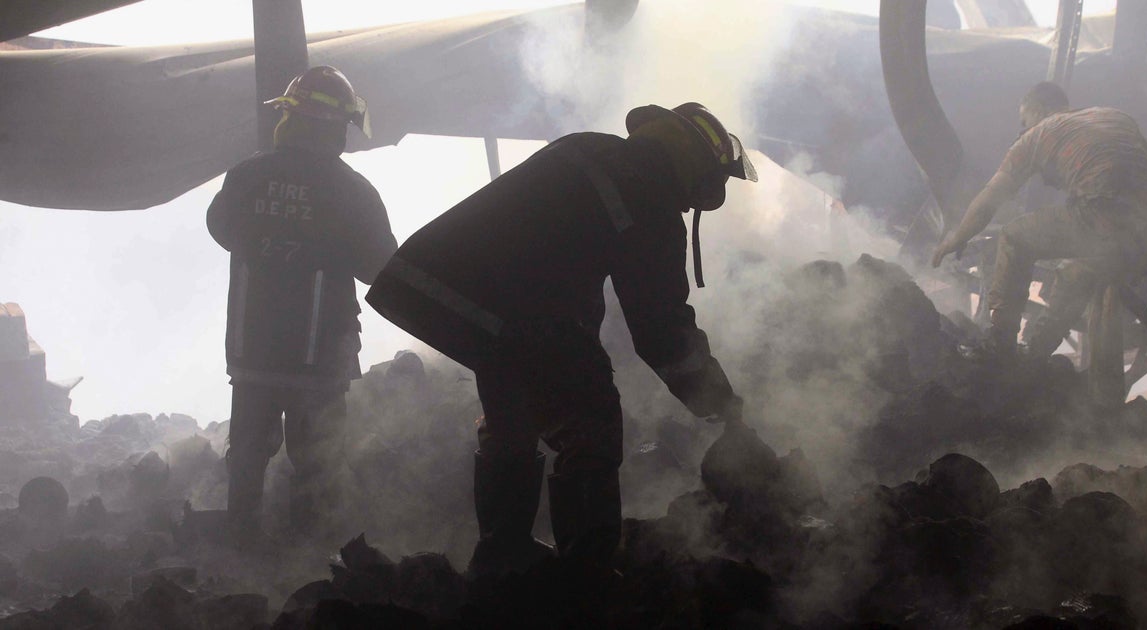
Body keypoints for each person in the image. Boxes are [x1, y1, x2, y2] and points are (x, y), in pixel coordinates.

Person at [367, 102, 756, 574]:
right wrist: (720, 402)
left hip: (425, 281)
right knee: (591, 422)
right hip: (499, 301)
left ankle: (502, 560)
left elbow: (554, 263)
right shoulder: (649, 199)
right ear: (699, 170)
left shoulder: (588, 147)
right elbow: (662, 330)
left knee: (514, 406)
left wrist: (580, 343)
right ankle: (585, 576)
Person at [207, 66, 397, 543]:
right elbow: (381, 269)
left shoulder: (247, 175)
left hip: (253, 353)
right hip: (318, 358)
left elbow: (222, 230)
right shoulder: (352, 191)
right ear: (337, 130)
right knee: (319, 463)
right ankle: (313, 558)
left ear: (288, 118)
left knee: (247, 456)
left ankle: (240, 550)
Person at [932, 81, 1147, 360]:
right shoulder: (1113, 116)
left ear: (1039, 111)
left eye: (1024, 121)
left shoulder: (1038, 134)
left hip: (1105, 215)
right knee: (1074, 274)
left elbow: (990, 198)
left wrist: (958, 236)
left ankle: (1000, 343)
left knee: (1015, 236)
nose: (1022, 130)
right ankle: (1035, 355)